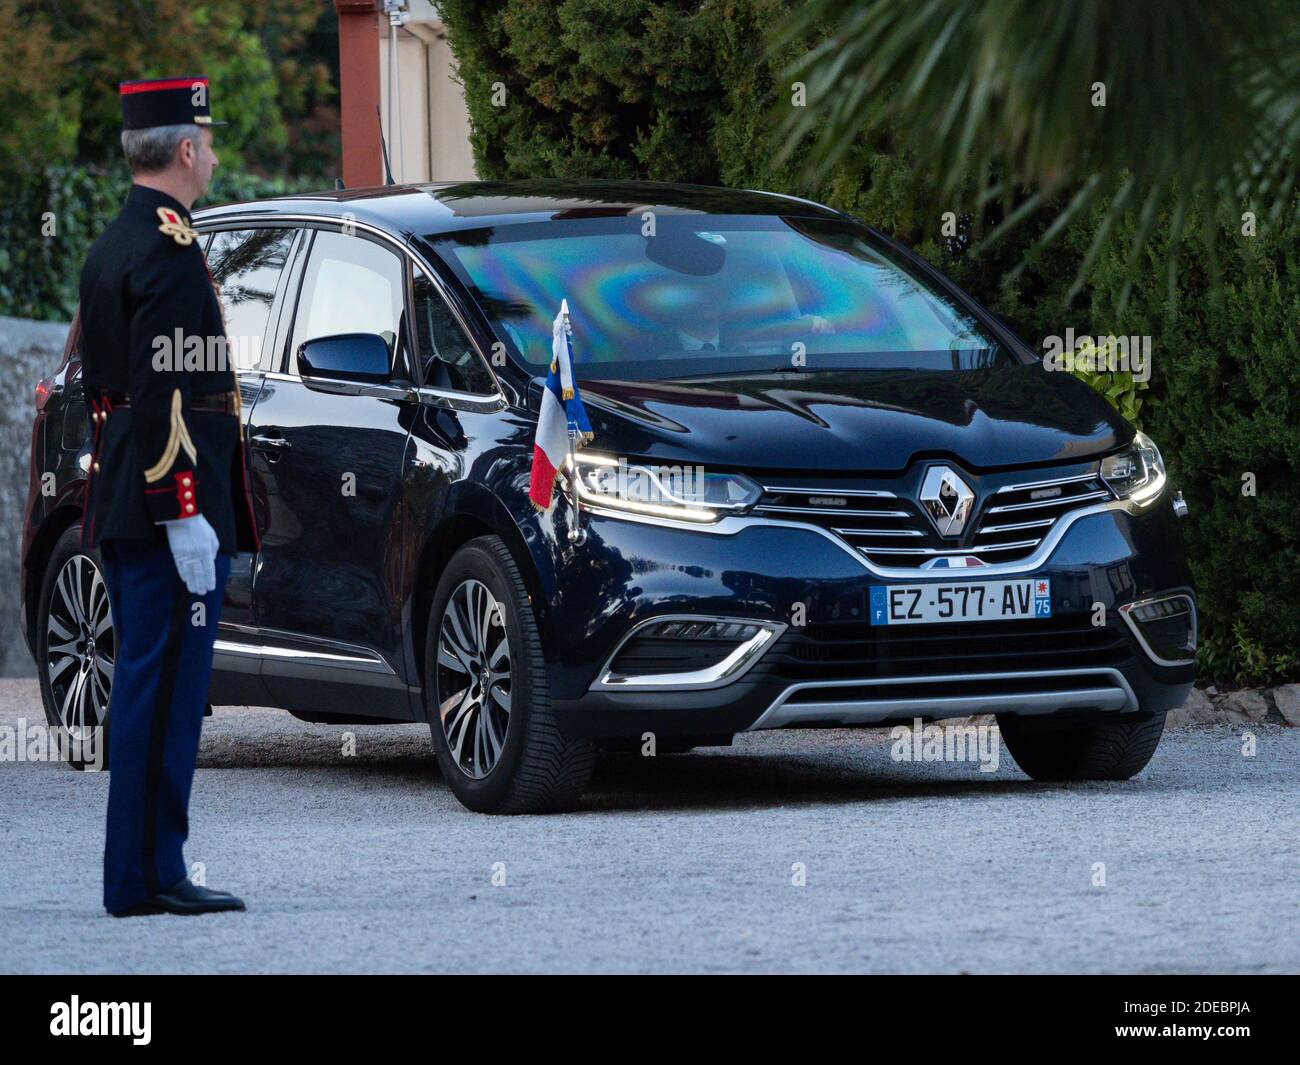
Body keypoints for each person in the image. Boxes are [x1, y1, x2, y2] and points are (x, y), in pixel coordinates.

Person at [78, 75, 259, 917]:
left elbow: (109, 390)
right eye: (209, 141)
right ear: (184, 150)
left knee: (145, 684)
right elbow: (169, 392)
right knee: (169, 689)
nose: (213, 153)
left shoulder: (112, 242)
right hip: (165, 511)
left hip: (123, 497)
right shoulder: (169, 249)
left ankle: (134, 872)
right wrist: (184, 510)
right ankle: (153, 872)